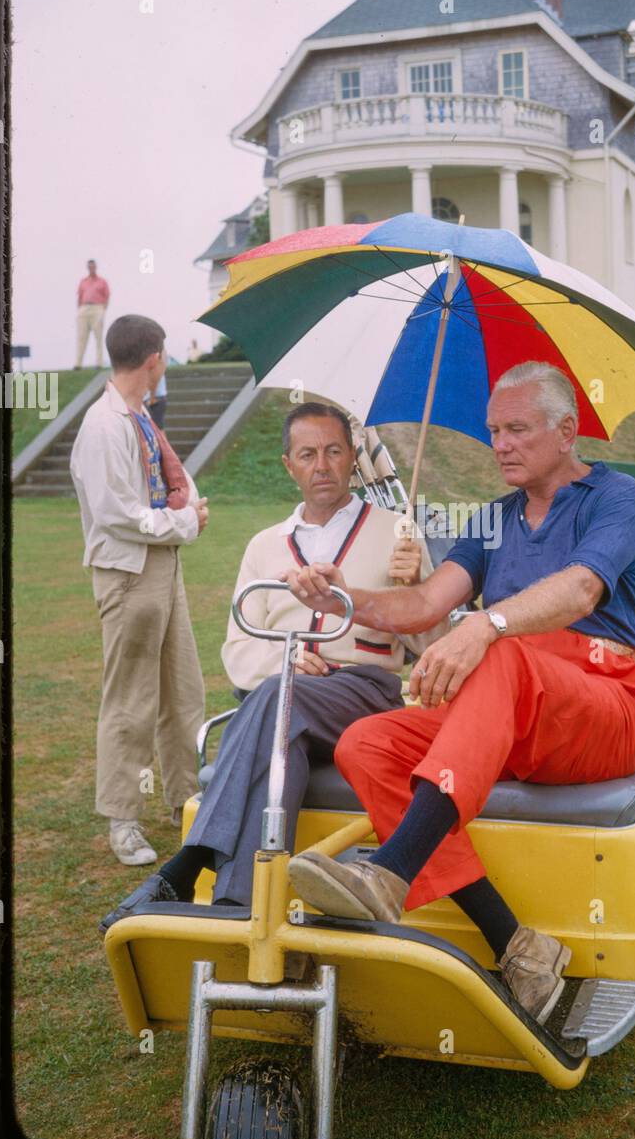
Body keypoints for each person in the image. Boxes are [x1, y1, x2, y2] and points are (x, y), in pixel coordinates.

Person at [285, 362, 635, 1025]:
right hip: (510, 706)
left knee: (501, 653)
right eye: (493, 431)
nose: (501, 444)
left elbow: (578, 591)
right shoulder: (492, 519)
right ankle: (513, 942)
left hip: (601, 706)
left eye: (516, 429)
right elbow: (426, 602)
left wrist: (483, 626)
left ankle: (391, 870)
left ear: (566, 431)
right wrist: (343, 596)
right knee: (367, 743)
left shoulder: (617, 497)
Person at [99, 402, 448, 930]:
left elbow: (433, 646)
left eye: (334, 451)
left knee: (273, 702)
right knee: (278, 710)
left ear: (354, 458)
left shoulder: (397, 534)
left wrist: (418, 584)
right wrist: (284, 662)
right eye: (308, 454)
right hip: (287, 698)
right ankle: (241, 909)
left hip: (366, 694)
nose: (322, 465)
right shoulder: (264, 545)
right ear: (289, 465)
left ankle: (190, 862)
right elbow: (239, 649)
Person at [70, 315, 209, 866]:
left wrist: (189, 508)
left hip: (162, 567)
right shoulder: (103, 426)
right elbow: (118, 515)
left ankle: (187, 800)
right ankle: (123, 818)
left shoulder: (139, 416)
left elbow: (169, 480)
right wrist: (187, 524)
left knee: (183, 688)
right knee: (130, 698)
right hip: (129, 572)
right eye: (166, 354)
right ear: (153, 358)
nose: (166, 363)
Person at [76, 259, 110, 368]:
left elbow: (107, 296)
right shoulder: (83, 281)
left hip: (97, 308)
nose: (91, 268)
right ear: (87, 268)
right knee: (81, 337)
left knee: (98, 337)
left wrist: (103, 309)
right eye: (89, 266)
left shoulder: (102, 281)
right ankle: (78, 364)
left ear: (95, 267)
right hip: (84, 308)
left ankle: (99, 363)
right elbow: (80, 296)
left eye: (93, 266)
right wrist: (80, 309)